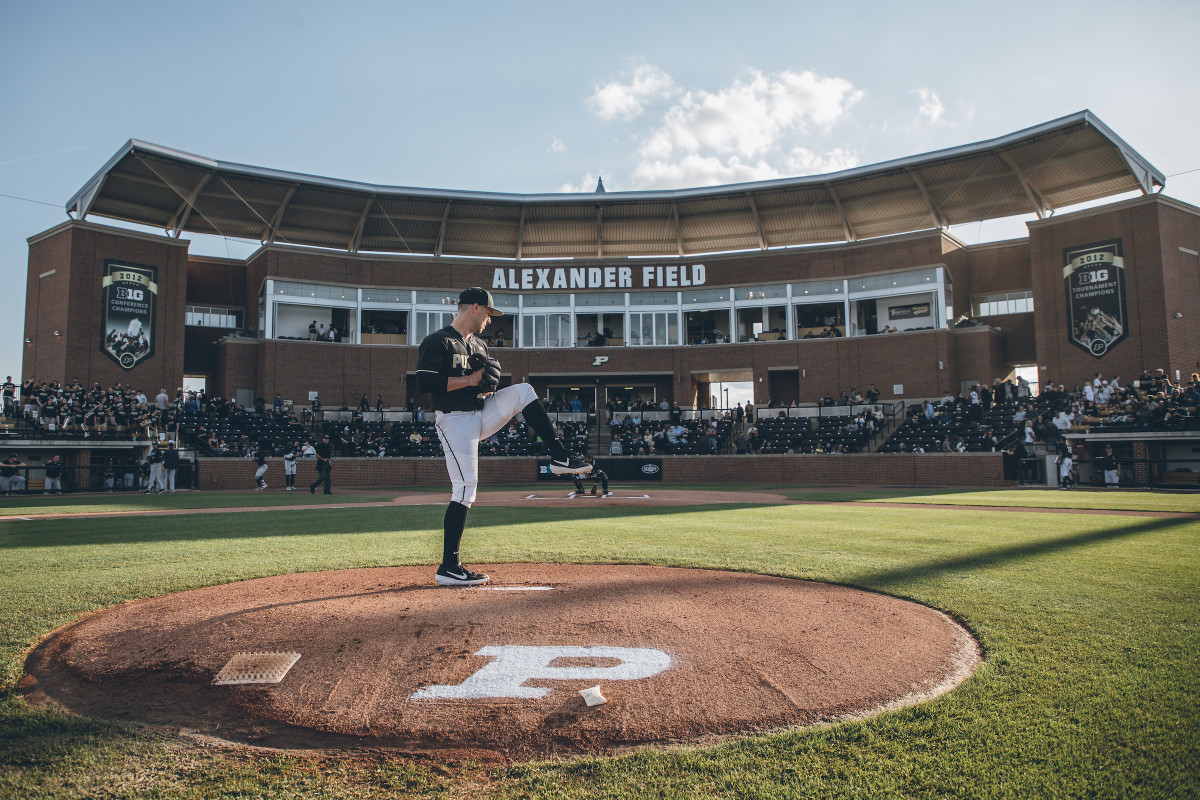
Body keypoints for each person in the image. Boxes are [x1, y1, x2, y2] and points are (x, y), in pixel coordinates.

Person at [417, 287, 590, 587]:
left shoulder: (480, 347)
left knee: (523, 391)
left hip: (479, 412)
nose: (489, 320)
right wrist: (470, 380)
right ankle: (449, 566)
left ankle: (560, 455)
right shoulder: (439, 341)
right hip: (454, 421)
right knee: (465, 489)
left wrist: (484, 388)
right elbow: (423, 382)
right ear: (474, 307)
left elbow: (482, 388)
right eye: (488, 313)